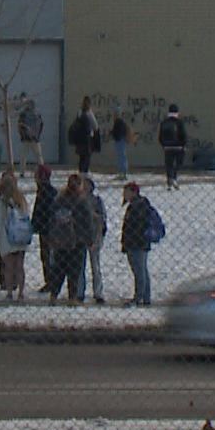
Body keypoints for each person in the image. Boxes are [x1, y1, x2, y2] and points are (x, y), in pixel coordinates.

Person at [42, 173, 95, 303]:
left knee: (58, 270)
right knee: (74, 271)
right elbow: (88, 223)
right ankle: (72, 298)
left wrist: (52, 237)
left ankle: (53, 296)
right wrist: (90, 239)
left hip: (61, 241)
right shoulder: (82, 202)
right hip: (77, 241)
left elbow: (51, 219)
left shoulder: (59, 200)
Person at [0, 168, 33, 299]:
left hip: (7, 237)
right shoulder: (21, 199)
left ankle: (9, 291)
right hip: (20, 236)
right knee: (20, 266)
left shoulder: (1, 201)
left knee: (9, 266)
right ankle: (21, 292)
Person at [120, 182, 162, 306]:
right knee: (141, 271)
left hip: (137, 244)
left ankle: (139, 297)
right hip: (136, 243)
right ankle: (145, 297)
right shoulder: (135, 205)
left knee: (140, 272)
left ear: (133, 192)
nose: (124, 195)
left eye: (126, 192)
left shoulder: (139, 206)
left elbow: (136, 226)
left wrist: (131, 240)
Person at [31, 163, 59, 293]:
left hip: (49, 230)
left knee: (48, 256)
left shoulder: (47, 192)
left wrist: (37, 224)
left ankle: (51, 281)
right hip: (46, 229)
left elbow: (44, 211)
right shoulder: (44, 191)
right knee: (46, 256)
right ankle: (50, 281)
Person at [84, 176, 109, 304]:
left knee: (95, 266)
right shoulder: (78, 200)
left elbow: (102, 219)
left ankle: (98, 292)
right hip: (81, 237)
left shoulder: (97, 201)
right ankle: (79, 292)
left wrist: (94, 215)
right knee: (79, 267)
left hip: (95, 236)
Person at [158, 104, 188, 190]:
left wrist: (164, 145)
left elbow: (160, 137)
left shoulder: (164, 122)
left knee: (169, 165)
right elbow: (183, 135)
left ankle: (169, 180)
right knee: (178, 163)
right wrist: (183, 144)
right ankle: (174, 177)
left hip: (167, 147)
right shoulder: (179, 122)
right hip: (178, 147)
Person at [69, 97, 100, 174]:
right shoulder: (89, 113)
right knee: (87, 157)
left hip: (79, 139)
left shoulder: (79, 112)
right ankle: (84, 171)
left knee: (81, 157)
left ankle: (81, 171)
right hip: (87, 138)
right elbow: (95, 126)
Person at [17, 99, 46, 166]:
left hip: (33, 139)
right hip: (28, 139)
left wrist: (37, 135)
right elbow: (20, 125)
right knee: (24, 156)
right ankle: (22, 172)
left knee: (38, 156)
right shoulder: (23, 114)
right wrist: (22, 135)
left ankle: (42, 170)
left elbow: (41, 125)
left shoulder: (37, 114)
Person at [109, 113, 132, 178]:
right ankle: (123, 171)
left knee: (121, 156)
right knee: (122, 156)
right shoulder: (121, 122)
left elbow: (118, 132)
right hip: (121, 140)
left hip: (119, 141)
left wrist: (113, 134)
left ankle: (123, 172)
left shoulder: (119, 122)